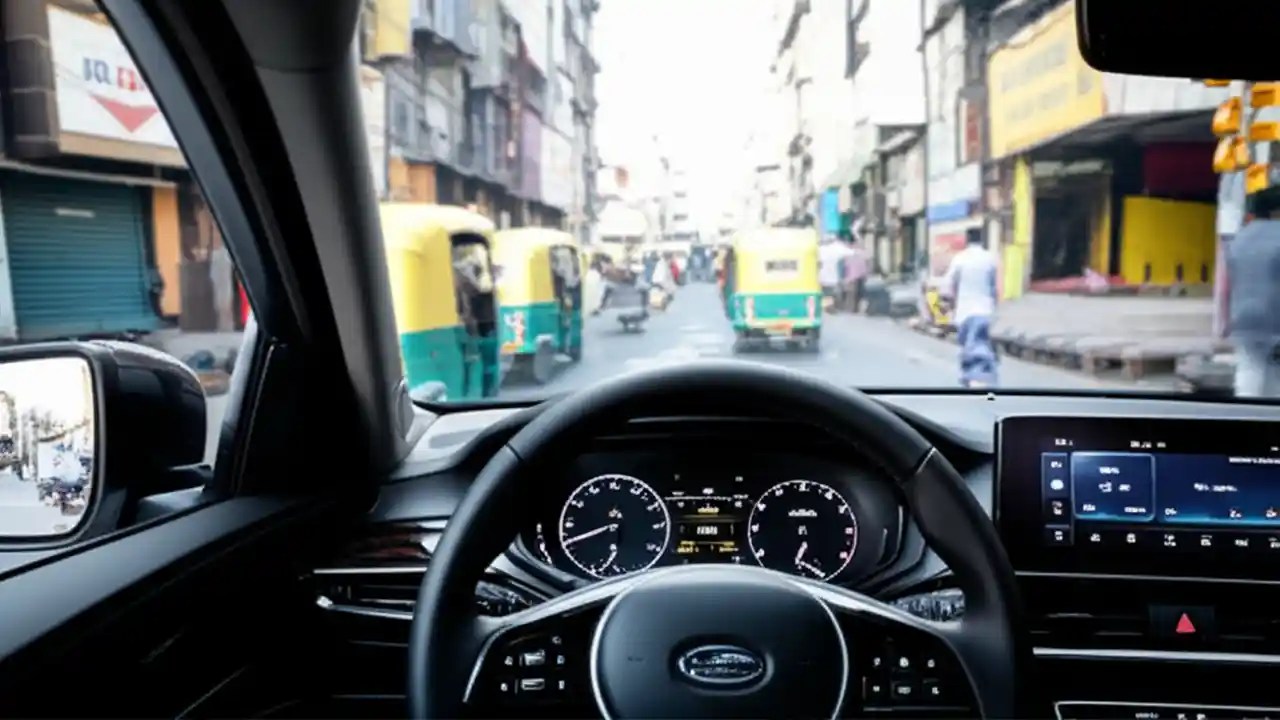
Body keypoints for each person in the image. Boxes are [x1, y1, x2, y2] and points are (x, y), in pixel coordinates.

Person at [1224, 217, 1280, 397]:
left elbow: (1227, 284)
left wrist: (1225, 320)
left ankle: (1243, 415)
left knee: (1248, 373)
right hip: (1274, 318)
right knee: (1274, 379)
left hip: (1244, 318)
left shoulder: (1240, 238)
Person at [943, 231, 999, 388]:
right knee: (981, 342)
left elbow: (948, 286)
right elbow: (994, 286)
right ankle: (982, 375)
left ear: (967, 240)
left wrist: (948, 305)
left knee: (969, 345)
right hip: (985, 310)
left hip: (965, 311)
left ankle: (974, 376)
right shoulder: (989, 258)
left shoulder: (960, 259)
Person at [819, 235, 851, 310]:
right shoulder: (836, 248)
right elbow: (849, 252)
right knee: (829, 292)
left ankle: (824, 305)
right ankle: (827, 306)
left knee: (825, 292)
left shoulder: (820, 249)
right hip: (831, 277)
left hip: (820, 276)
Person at [840, 240, 869, 313]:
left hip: (853, 277)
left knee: (852, 293)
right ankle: (856, 308)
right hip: (859, 276)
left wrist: (845, 277)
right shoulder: (861, 254)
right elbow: (865, 265)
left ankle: (852, 308)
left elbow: (845, 267)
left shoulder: (848, 255)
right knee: (858, 293)